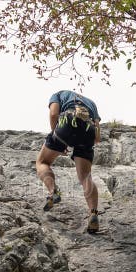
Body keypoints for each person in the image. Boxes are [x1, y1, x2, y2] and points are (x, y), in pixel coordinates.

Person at [35, 90, 101, 233]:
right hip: (88, 130)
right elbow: (97, 136)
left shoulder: (59, 94)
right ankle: (93, 213)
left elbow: (53, 114)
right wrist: (85, 145)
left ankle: (53, 192)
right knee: (85, 177)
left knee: (42, 162)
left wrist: (57, 137)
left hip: (66, 124)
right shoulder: (92, 104)